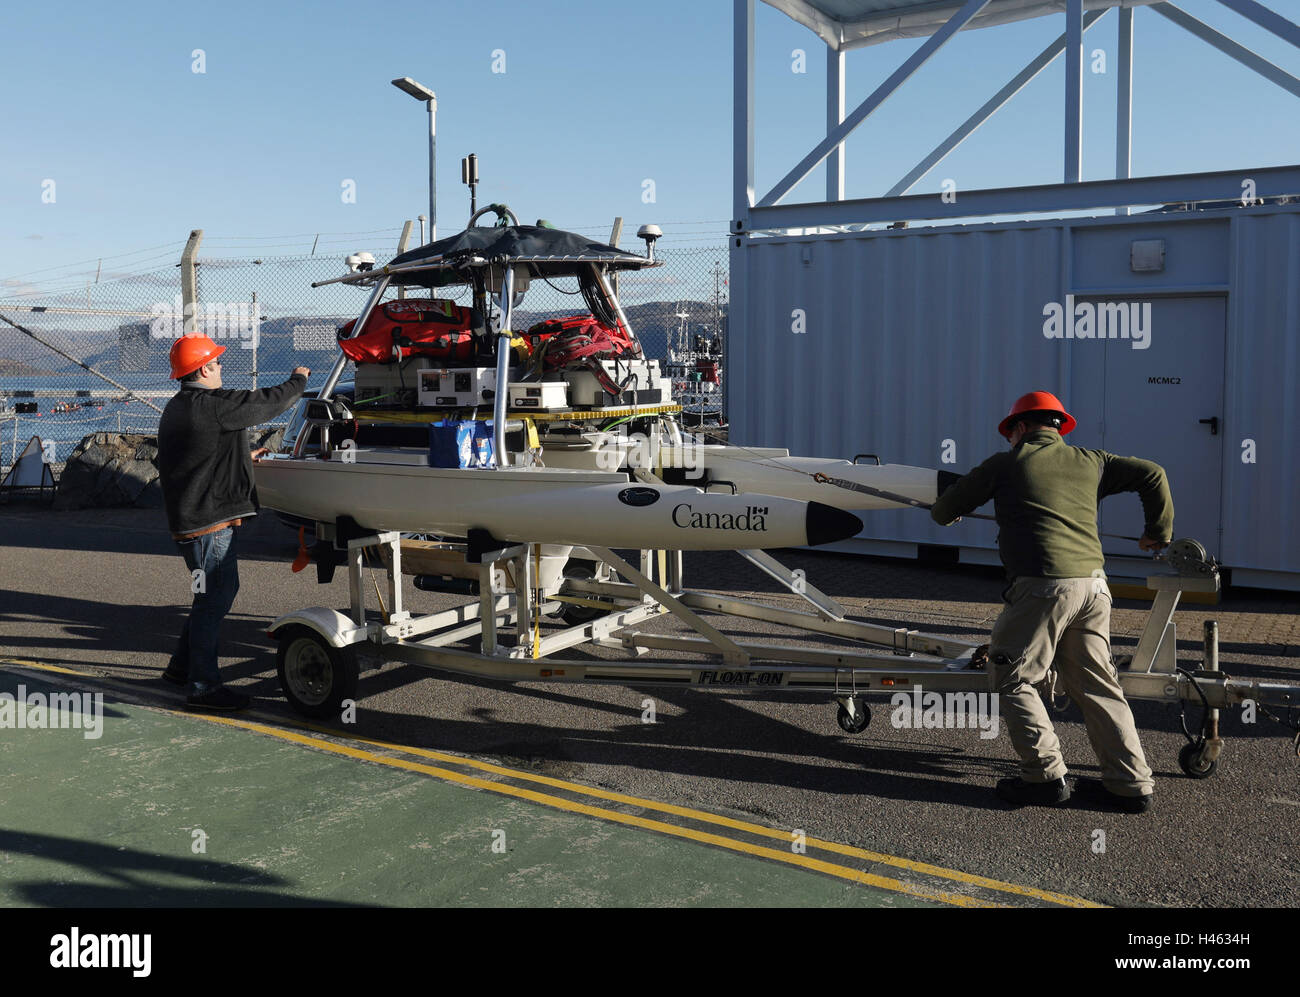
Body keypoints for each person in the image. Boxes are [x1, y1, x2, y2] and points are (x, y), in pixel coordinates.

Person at [930, 390, 1173, 814]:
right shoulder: (1091, 461)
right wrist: (1158, 531)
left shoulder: (1005, 464)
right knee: (1098, 685)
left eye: (1010, 432)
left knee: (1009, 675)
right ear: (1058, 426)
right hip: (1095, 587)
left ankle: (1044, 778)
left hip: (1043, 587)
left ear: (1020, 428)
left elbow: (942, 510)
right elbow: (1153, 473)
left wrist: (951, 509)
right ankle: (1130, 784)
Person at [156, 332, 309, 711]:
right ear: (205, 368)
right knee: (216, 597)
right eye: (218, 361)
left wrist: (242, 454)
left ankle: (181, 668)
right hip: (209, 526)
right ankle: (203, 686)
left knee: (206, 595)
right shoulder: (214, 405)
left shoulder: (179, 406)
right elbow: (266, 403)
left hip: (189, 522)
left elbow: (201, 452)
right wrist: (299, 380)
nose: (221, 366)